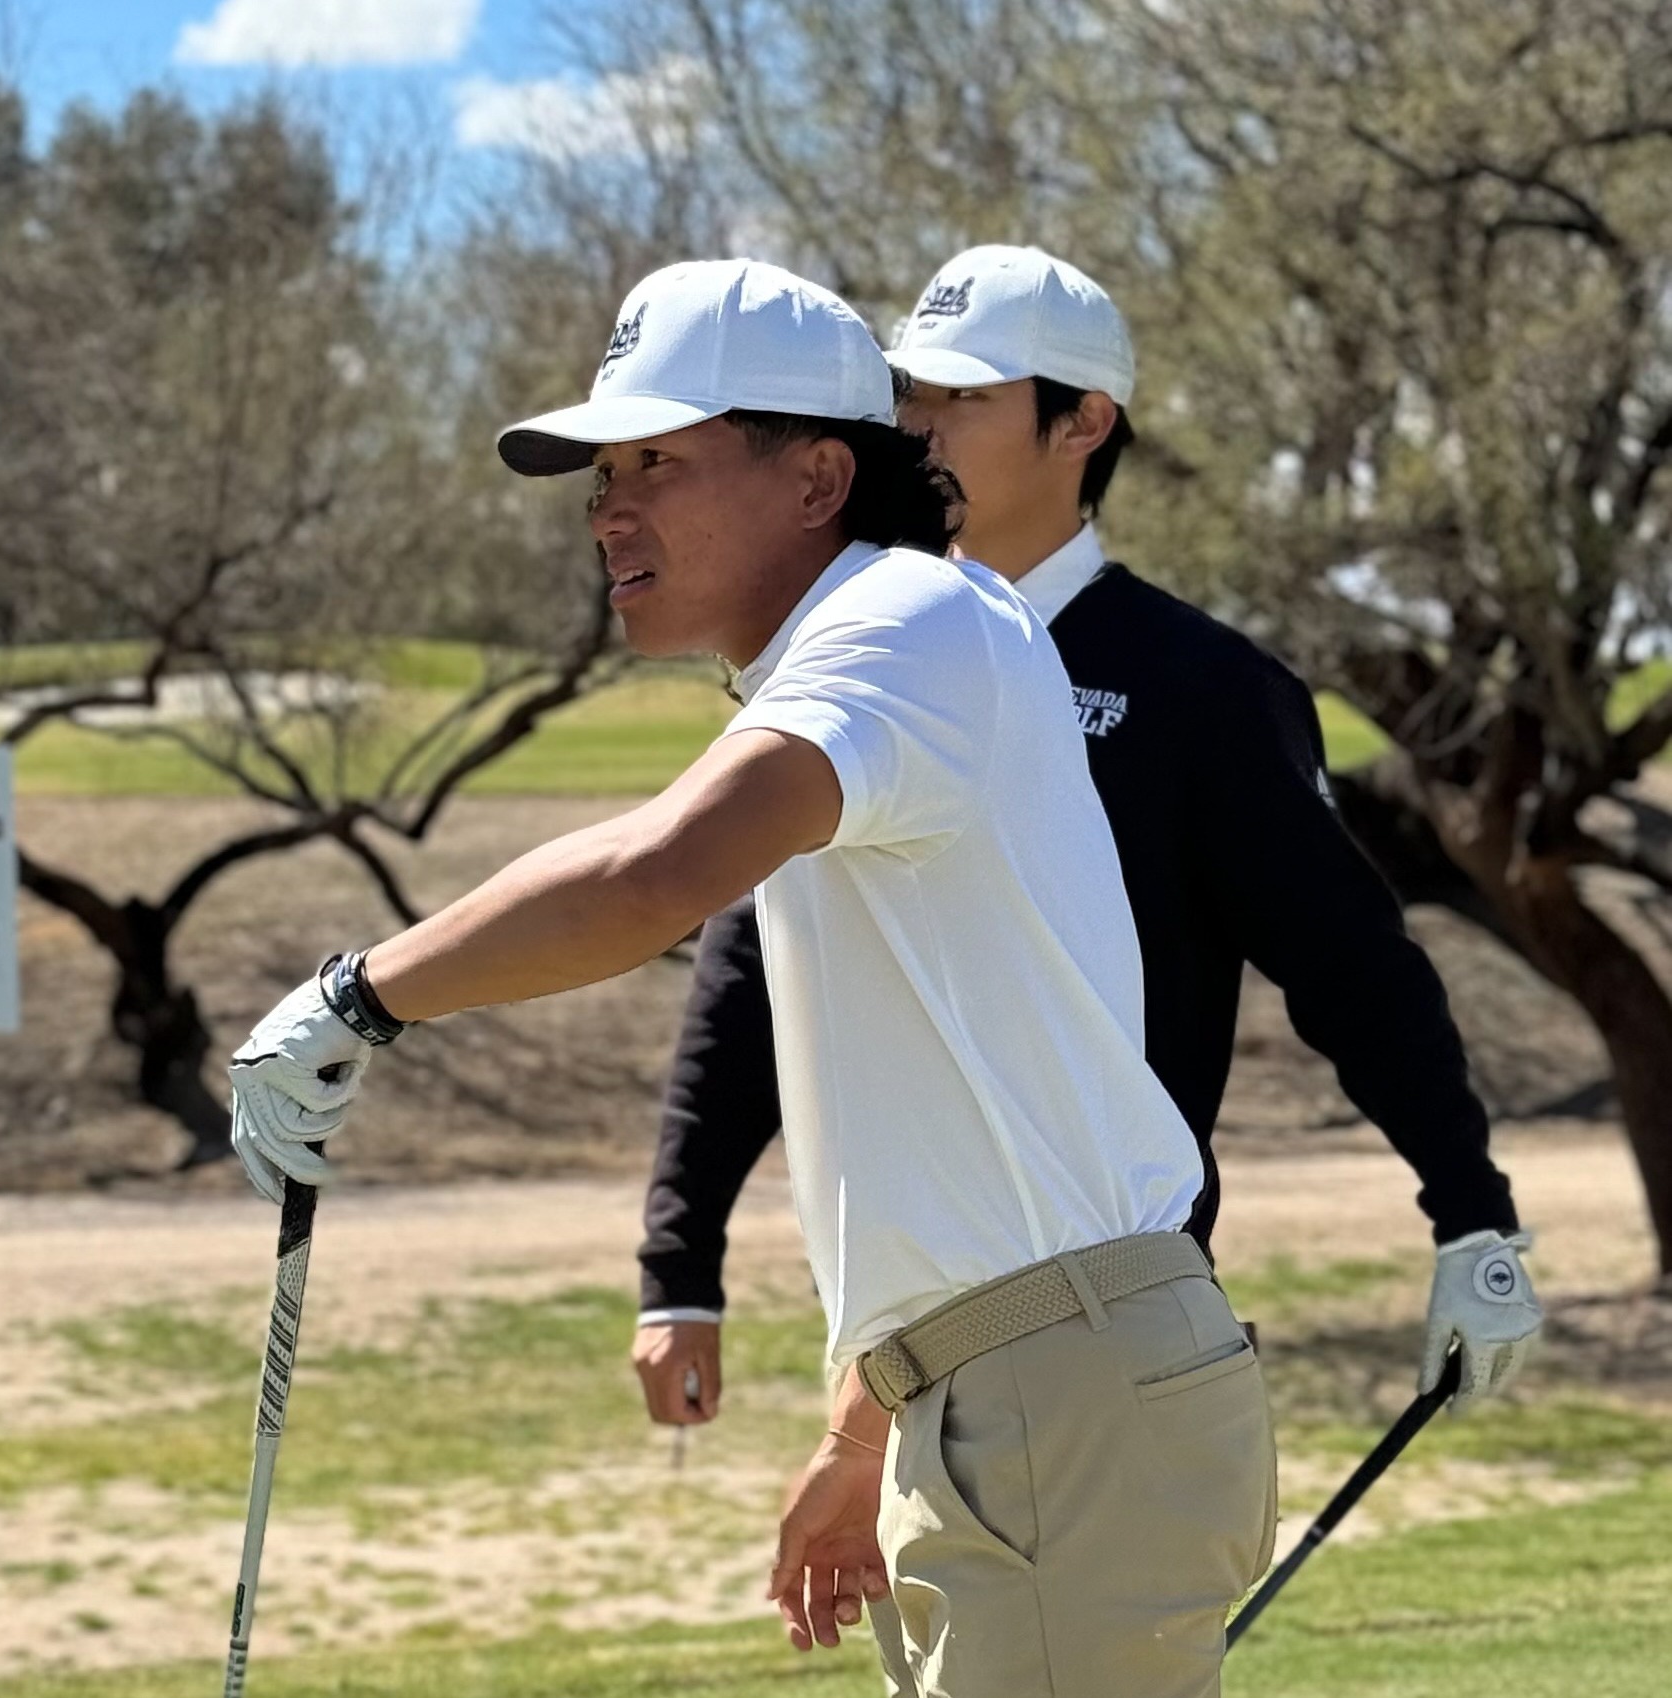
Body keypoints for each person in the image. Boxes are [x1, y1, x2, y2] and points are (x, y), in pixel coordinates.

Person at [228, 256, 1277, 1697]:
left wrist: (361, 995)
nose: (610, 506)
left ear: (815, 479)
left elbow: (655, 873)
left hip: (1061, 1389)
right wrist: (866, 1435)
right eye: (601, 472)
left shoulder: (906, 623)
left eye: (659, 458)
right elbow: (945, 1144)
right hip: (1012, 1381)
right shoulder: (882, 657)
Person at [628, 247, 1544, 1683]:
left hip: (1091, 1335)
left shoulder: (1202, 688)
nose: (917, 423)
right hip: (925, 1357)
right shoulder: (827, 665)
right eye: (905, 392)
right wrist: (681, 1260)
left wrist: (1471, 1211)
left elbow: (1353, 967)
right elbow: (751, 983)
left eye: (961, 394)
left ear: (1083, 423)